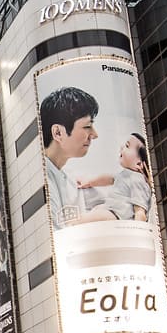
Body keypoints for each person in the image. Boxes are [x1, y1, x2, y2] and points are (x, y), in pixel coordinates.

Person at [38, 86, 117, 229]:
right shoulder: (42, 180)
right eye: (87, 127)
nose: (94, 134)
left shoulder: (70, 179)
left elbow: (125, 197)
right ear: (58, 133)